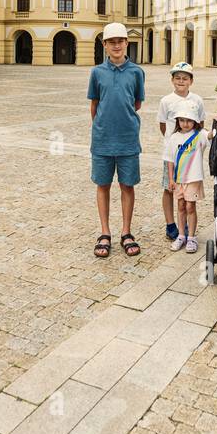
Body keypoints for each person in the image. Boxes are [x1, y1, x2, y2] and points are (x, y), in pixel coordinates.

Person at [87, 22, 145, 258]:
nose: (117, 45)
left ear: (126, 43)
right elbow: (94, 104)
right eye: (112, 42)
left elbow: (137, 103)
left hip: (128, 139)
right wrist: (102, 127)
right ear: (105, 45)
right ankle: (104, 232)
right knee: (102, 185)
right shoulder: (97, 72)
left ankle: (126, 231)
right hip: (102, 139)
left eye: (120, 41)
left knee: (127, 185)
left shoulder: (137, 72)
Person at [157, 61, 206, 240]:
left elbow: (201, 124)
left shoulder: (197, 100)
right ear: (172, 80)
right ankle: (171, 223)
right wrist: (172, 141)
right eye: (177, 78)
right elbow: (163, 125)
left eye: (185, 78)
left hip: (190, 154)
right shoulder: (166, 101)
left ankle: (185, 223)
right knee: (169, 187)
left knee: (188, 189)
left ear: (191, 81)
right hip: (172, 153)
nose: (181, 81)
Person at [162, 98, 206, 253]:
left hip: (193, 179)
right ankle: (181, 235)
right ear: (177, 121)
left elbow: (212, 136)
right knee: (180, 206)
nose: (185, 123)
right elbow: (169, 159)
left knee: (190, 207)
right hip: (179, 180)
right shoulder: (174, 138)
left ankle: (192, 237)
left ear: (195, 121)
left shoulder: (199, 135)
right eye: (182, 120)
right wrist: (172, 179)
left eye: (189, 120)